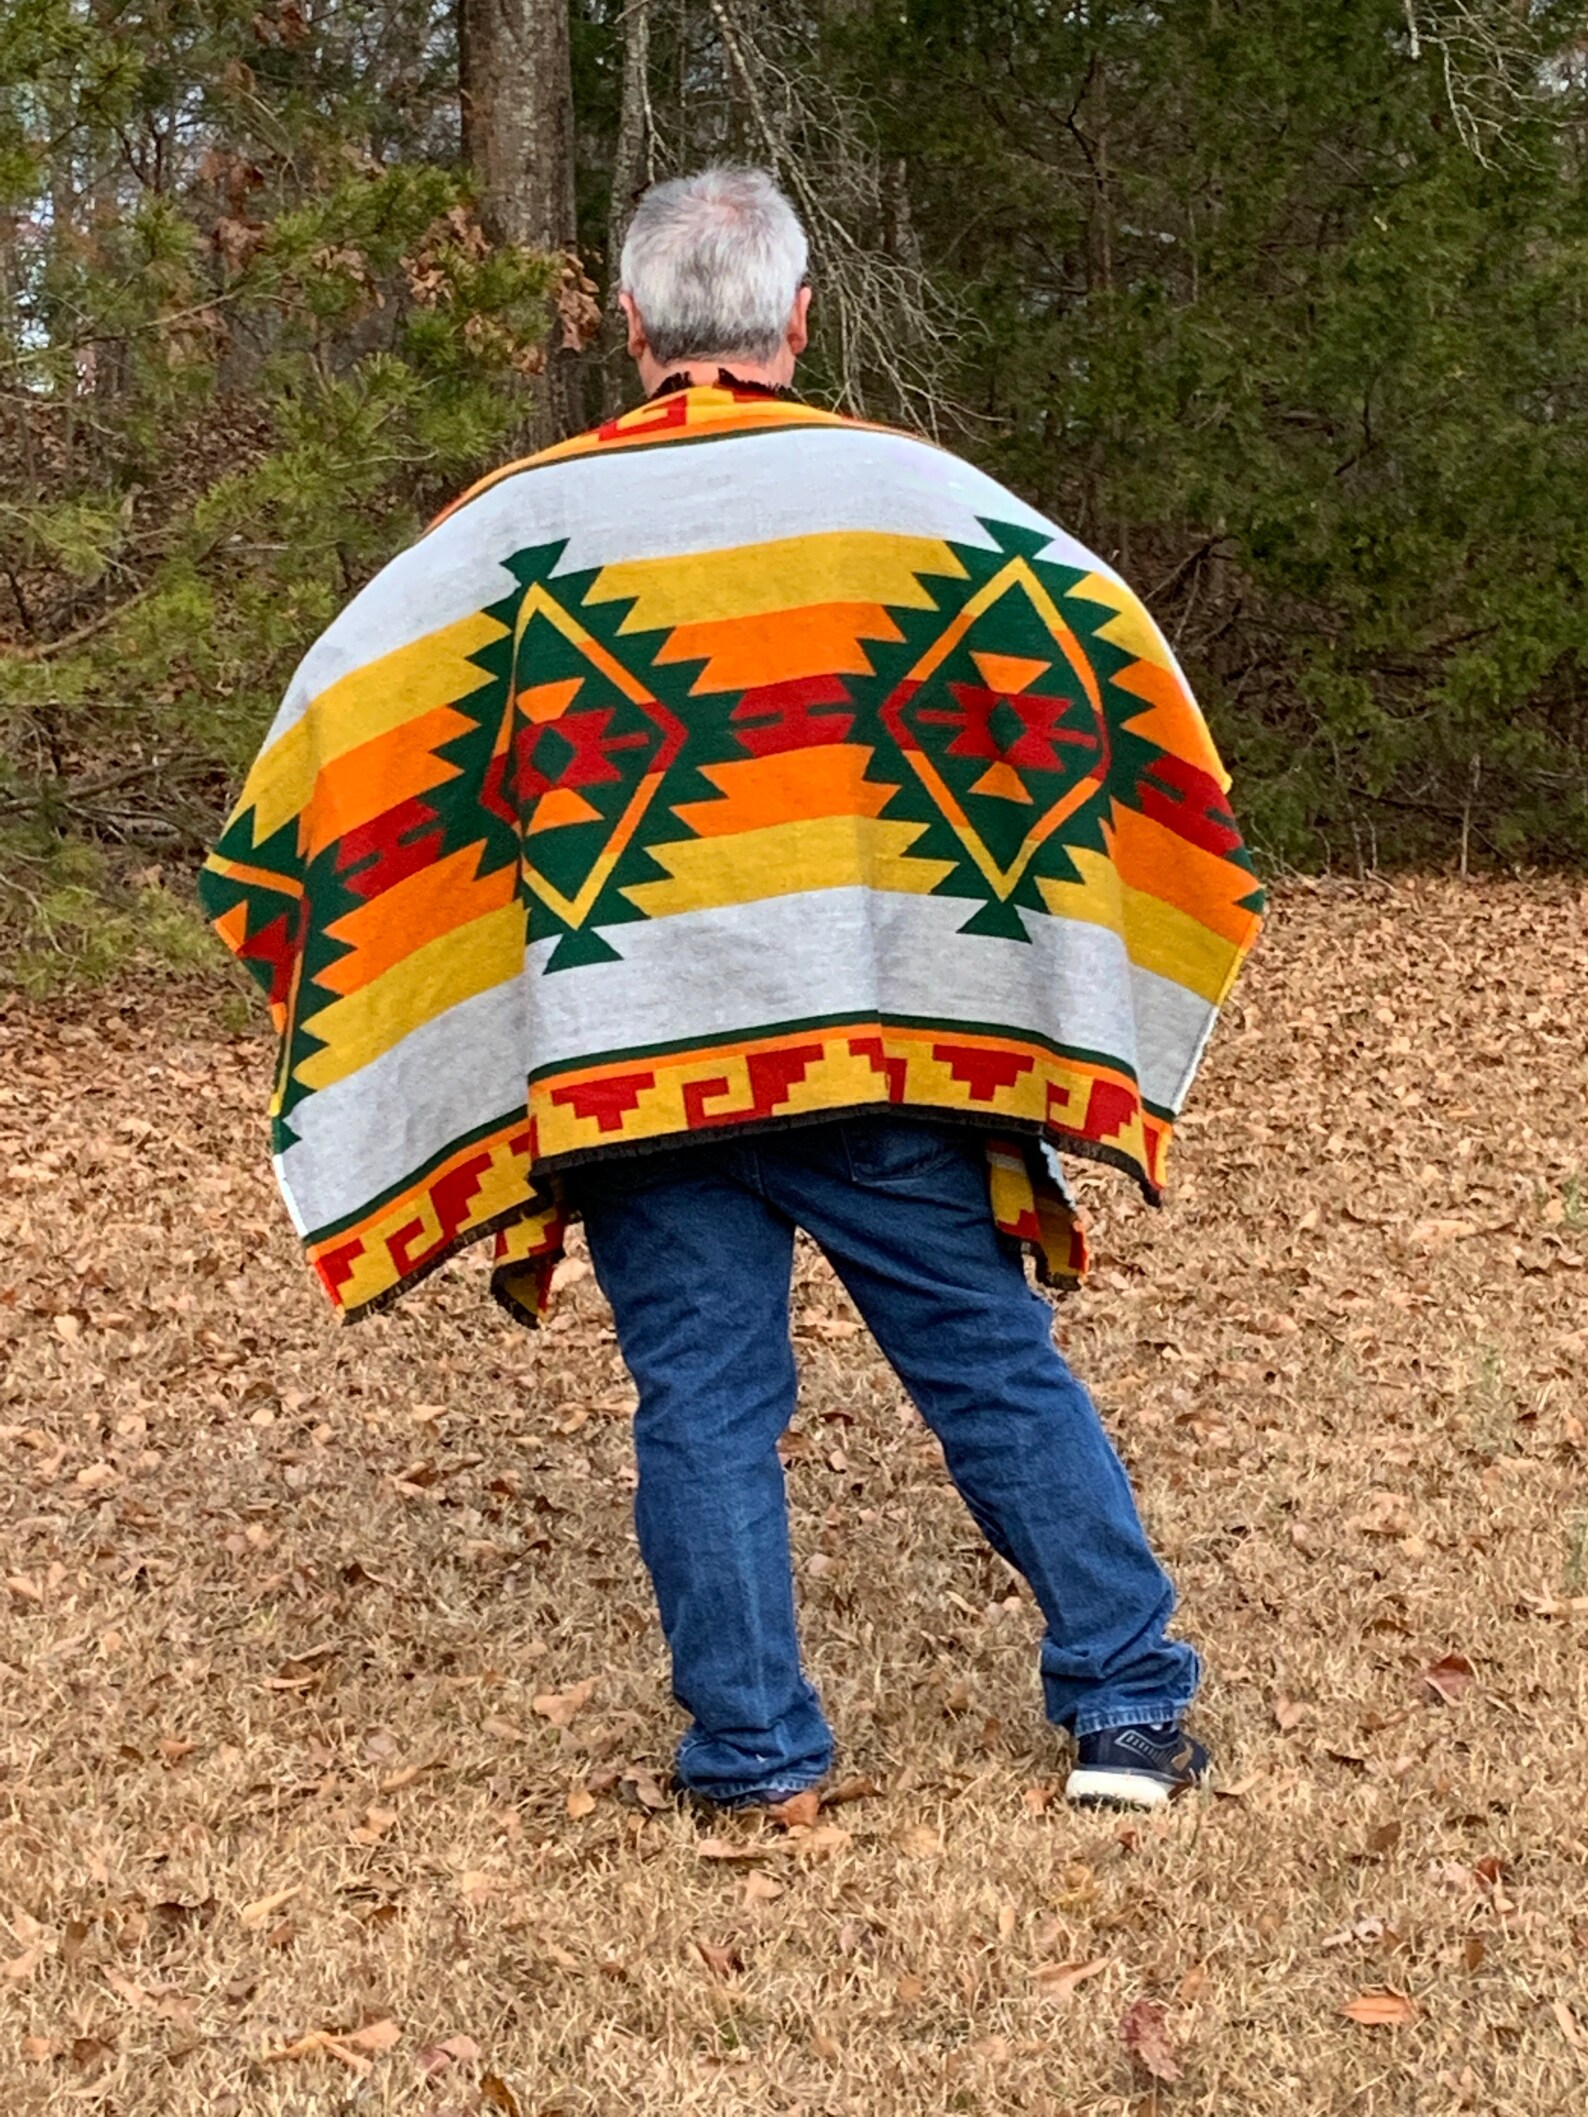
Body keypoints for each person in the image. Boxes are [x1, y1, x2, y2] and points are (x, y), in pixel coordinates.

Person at [202, 167, 1261, 1814]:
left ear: (628, 328)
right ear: (799, 320)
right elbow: (1116, 663)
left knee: (701, 1402)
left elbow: (332, 736)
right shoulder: (924, 505)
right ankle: (1127, 1711)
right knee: (989, 1358)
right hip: (881, 1041)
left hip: (632, 1061)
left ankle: (755, 1754)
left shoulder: (505, 536)